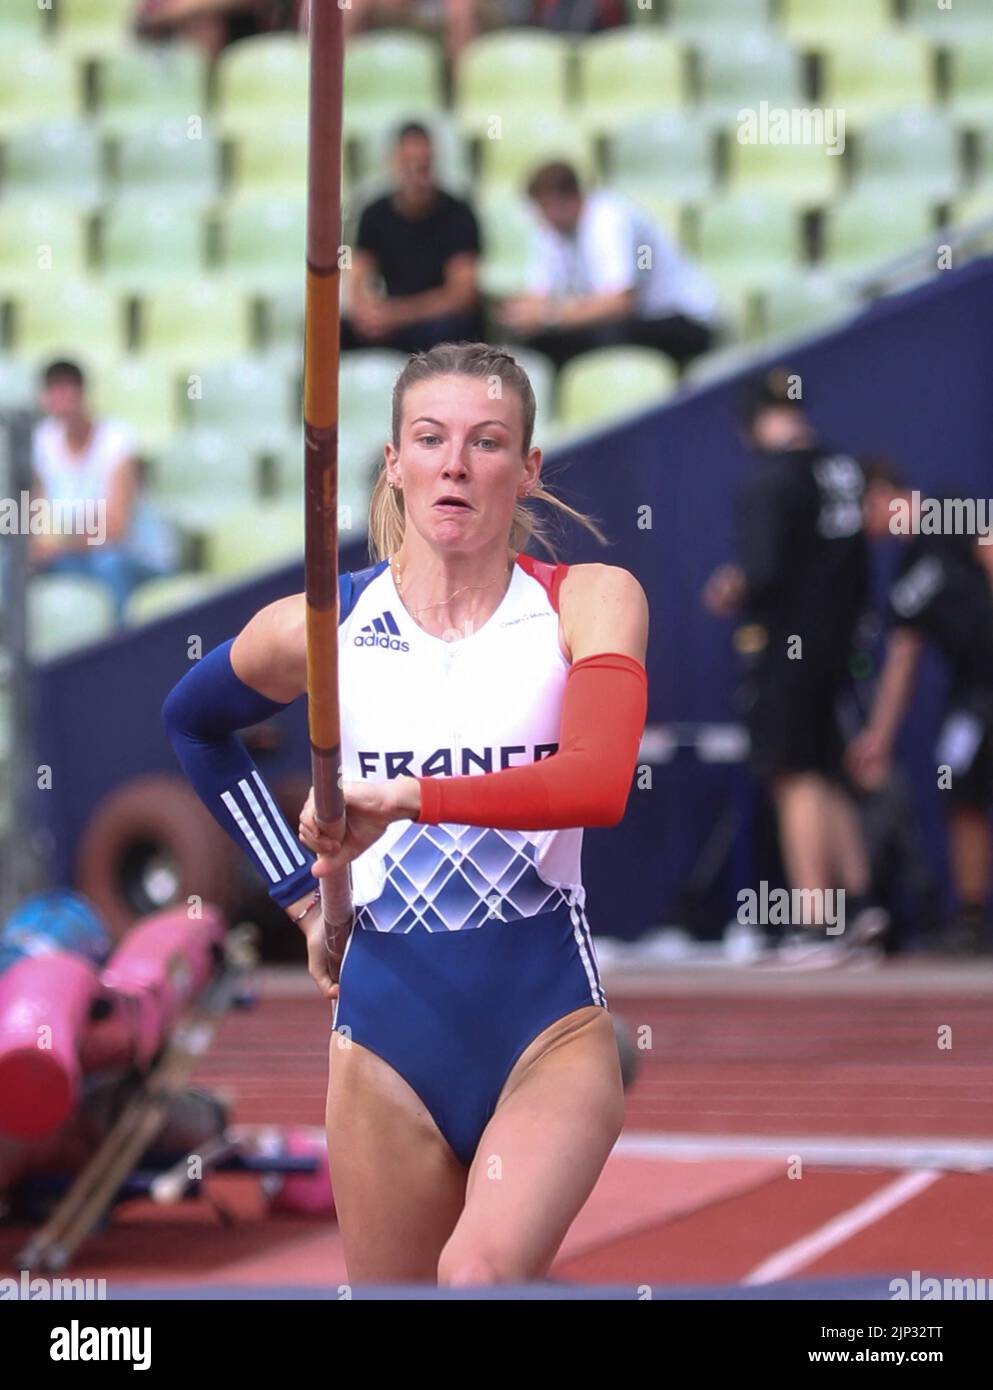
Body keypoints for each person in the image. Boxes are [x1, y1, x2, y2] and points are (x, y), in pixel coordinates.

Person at [162, 342, 649, 1284]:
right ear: (394, 462)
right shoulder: (326, 630)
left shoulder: (585, 603)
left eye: (486, 441)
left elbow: (596, 782)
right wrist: (300, 895)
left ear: (528, 467)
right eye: (428, 439)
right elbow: (193, 724)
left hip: (548, 1034)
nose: (455, 464)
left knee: (479, 1276)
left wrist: (411, 797)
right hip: (381, 1052)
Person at [703, 368, 885, 964]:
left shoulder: (770, 480)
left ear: (753, 420)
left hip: (789, 647)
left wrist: (731, 586)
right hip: (838, 644)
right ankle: (858, 907)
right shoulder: (843, 468)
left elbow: (762, 571)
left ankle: (814, 921)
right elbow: (857, 565)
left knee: (794, 773)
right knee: (828, 768)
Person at [848, 460, 993, 955]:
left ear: (884, 495)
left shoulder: (947, 509)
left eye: (862, 510)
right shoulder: (904, 573)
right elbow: (903, 659)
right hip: (972, 691)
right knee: (960, 786)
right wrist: (879, 738)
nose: (863, 526)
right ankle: (972, 919)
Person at [498, 161, 719, 370]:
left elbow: (620, 304)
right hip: (638, 321)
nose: (544, 216)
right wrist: (518, 314)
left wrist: (548, 316)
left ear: (572, 198)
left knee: (608, 337)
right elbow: (540, 293)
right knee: (530, 341)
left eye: (547, 207)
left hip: (683, 318)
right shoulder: (551, 228)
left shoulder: (610, 219)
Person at [29, 360, 176, 624]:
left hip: (135, 557)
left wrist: (56, 544)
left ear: (82, 394)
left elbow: (114, 530)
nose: (61, 400)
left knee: (108, 565)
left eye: (67, 389)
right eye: (53, 390)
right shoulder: (43, 441)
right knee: (10, 564)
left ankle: (117, 650)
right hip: (74, 556)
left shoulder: (117, 440)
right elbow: (38, 519)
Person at [342, 123, 484, 356]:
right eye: (409, 165)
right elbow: (358, 273)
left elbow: (461, 296)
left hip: (433, 323)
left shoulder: (460, 214)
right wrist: (366, 312)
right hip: (392, 322)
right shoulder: (374, 213)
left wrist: (395, 315)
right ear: (393, 163)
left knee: (455, 332)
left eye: (424, 165)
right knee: (332, 331)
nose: (417, 174)